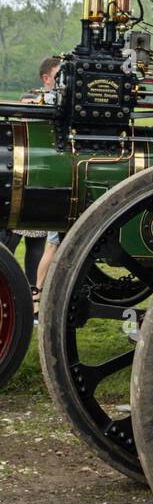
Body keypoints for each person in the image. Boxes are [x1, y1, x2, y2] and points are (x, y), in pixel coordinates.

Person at [2, 55, 64, 316]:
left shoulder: (58, 102)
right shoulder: (35, 101)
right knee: (8, 242)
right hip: (23, 181)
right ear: (46, 78)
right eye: (59, 76)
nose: (63, 82)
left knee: (37, 246)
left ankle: (31, 299)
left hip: (44, 182)